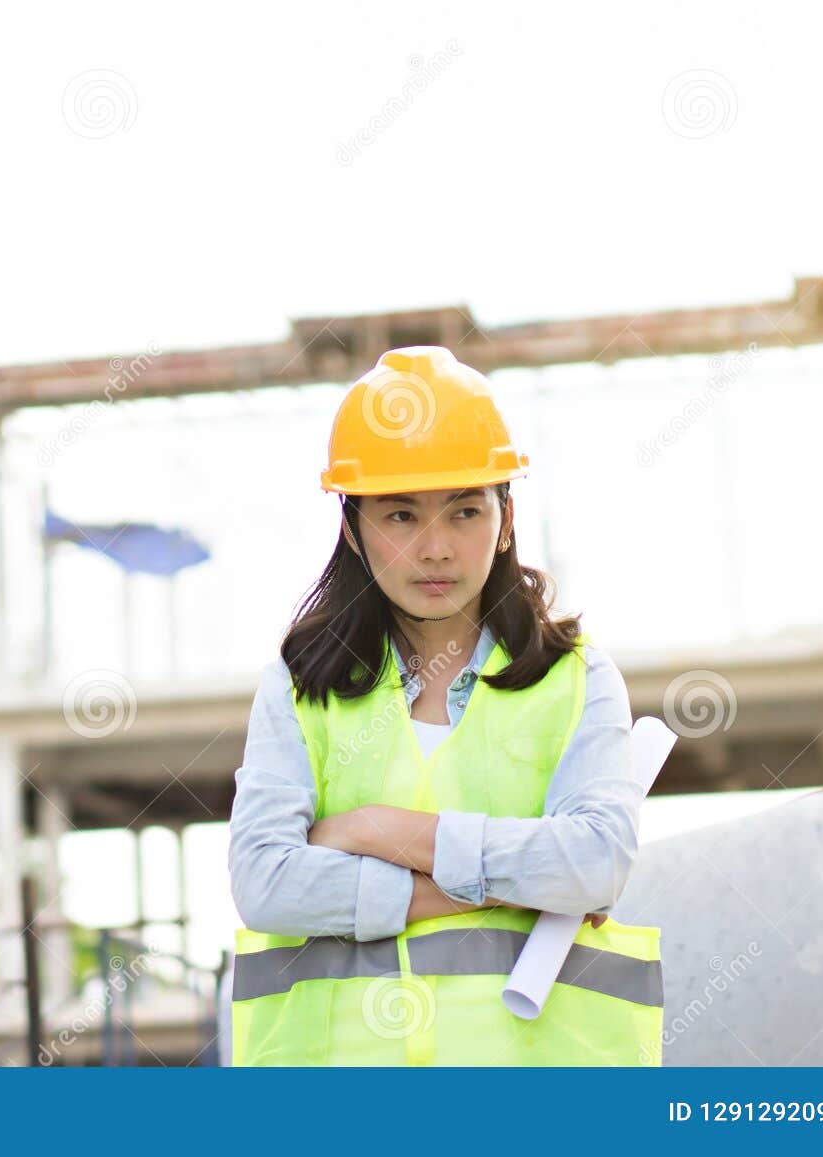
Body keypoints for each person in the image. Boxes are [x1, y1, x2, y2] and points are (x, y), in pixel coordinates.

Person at [226, 346, 663, 1066]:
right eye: (401, 515)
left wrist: (373, 829)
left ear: (506, 517)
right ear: (353, 529)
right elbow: (266, 884)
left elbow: (594, 865)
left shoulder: (577, 679)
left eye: (465, 510)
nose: (435, 549)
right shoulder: (299, 685)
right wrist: (506, 888)